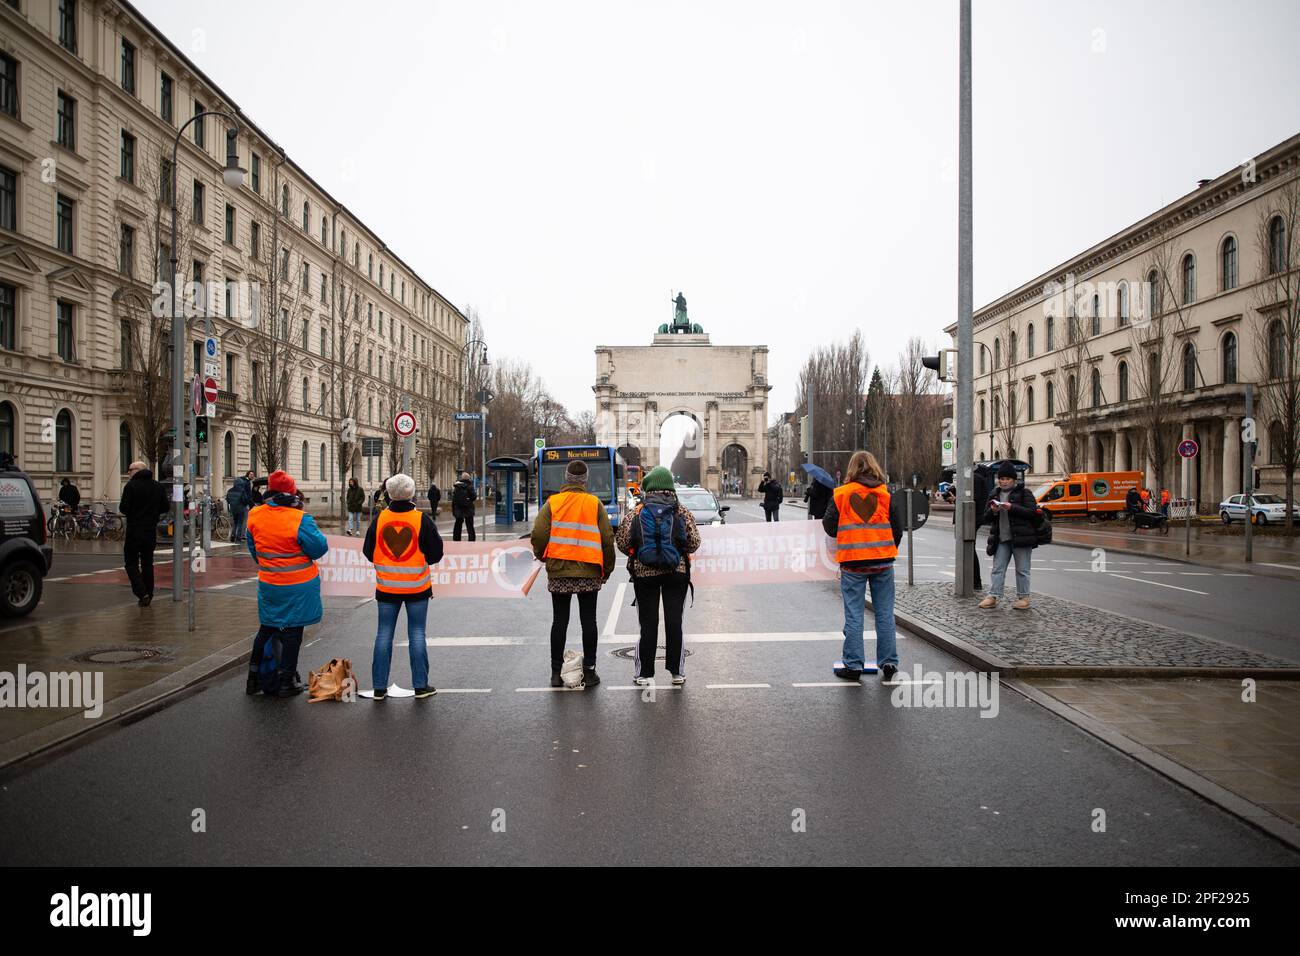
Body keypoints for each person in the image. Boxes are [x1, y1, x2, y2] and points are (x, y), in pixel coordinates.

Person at [244, 470, 328, 697]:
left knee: (267, 627)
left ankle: (253, 679)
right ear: (291, 491)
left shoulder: (255, 515)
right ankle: (286, 680)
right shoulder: (299, 518)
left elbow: (254, 549)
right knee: (293, 631)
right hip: (298, 584)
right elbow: (319, 548)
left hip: (270, 582)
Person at [532, 460, 616, 687]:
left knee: (559, 621)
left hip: (559, 571)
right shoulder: (594, 503)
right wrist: (606, 569)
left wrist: (543, 556)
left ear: (566, 478)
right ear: (585, 480)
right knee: (589, 621)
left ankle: (555, 673)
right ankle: (589, 672)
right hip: (589, 572)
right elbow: (607, 538)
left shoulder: (553, 503)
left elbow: (539, 534)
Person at [616, 466, 701, 686]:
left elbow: (623, 543)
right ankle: (676, 673)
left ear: (649, 488)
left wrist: (640, 552)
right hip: (676, 573)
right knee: (674, 622)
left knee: (648, 623)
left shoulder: (637, 511)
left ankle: (644, 674)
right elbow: (694, 543)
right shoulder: (681, 511)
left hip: (645, 574)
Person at [822, 451, 903, 683]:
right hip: (883, 561)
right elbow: (897, 528)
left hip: (853, 562)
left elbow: (829, 526)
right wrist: (887, 550)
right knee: (885, 614)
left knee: (855, 614)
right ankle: (889, 663)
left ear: (852, 469)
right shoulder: (885, 493)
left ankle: (853, 664)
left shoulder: (841, 494)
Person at [362, 473, 443, 700]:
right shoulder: (422, 520)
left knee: (383, 633)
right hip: (417, 587)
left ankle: (379, 687)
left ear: (388, 493)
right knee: (417, 633)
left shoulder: (379, 519)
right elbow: (436, 553)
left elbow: (368, 552)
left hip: (386, 588)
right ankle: (420, 686)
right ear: (412, 493)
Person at [979, 461, 1040, 610]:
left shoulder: (1025, 493)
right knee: (997, 568)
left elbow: (1031, 513)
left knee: (1022, 570)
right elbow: (985, 518)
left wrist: (1012, 507)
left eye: (1007, 479)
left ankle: (1024, 598)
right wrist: (993, 511)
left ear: (1014, 480)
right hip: (1002, 538)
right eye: (1002, 479)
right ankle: (993, 596)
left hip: (1021, 538)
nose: (1004, 481)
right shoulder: (994, 494)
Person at [118, 461, 169, 607]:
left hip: (134, 529)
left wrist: (135, 512)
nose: (128, 473)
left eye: (130, 470)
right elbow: (165, 506)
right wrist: (153, 513)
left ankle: (141, 592)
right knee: (148, 563)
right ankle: (149, 593)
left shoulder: (131, 486)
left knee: (131, 563)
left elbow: (124, 508)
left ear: (137, 470)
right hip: (150, 530)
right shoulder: (157, 486)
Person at [226, 470, 255, 542]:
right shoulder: (242, 490)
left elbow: (228, 499)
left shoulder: (230, 490)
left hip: (233, 508)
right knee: (240, 523)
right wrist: (248, 504)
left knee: (235, 523)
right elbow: (245, 499)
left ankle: (232, 537)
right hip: (241, 508)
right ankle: (238, 538)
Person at [451, 472, 477, 541]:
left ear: (462, 478)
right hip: (468, 509)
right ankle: (471, 539)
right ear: (468, 478)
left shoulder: (457, 486)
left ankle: (456, 539)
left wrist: (454, 510)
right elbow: (474, 497)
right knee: (470, 525)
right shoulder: (469, 486)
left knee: (458, 525)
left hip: (458, 509)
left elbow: (454, 500)